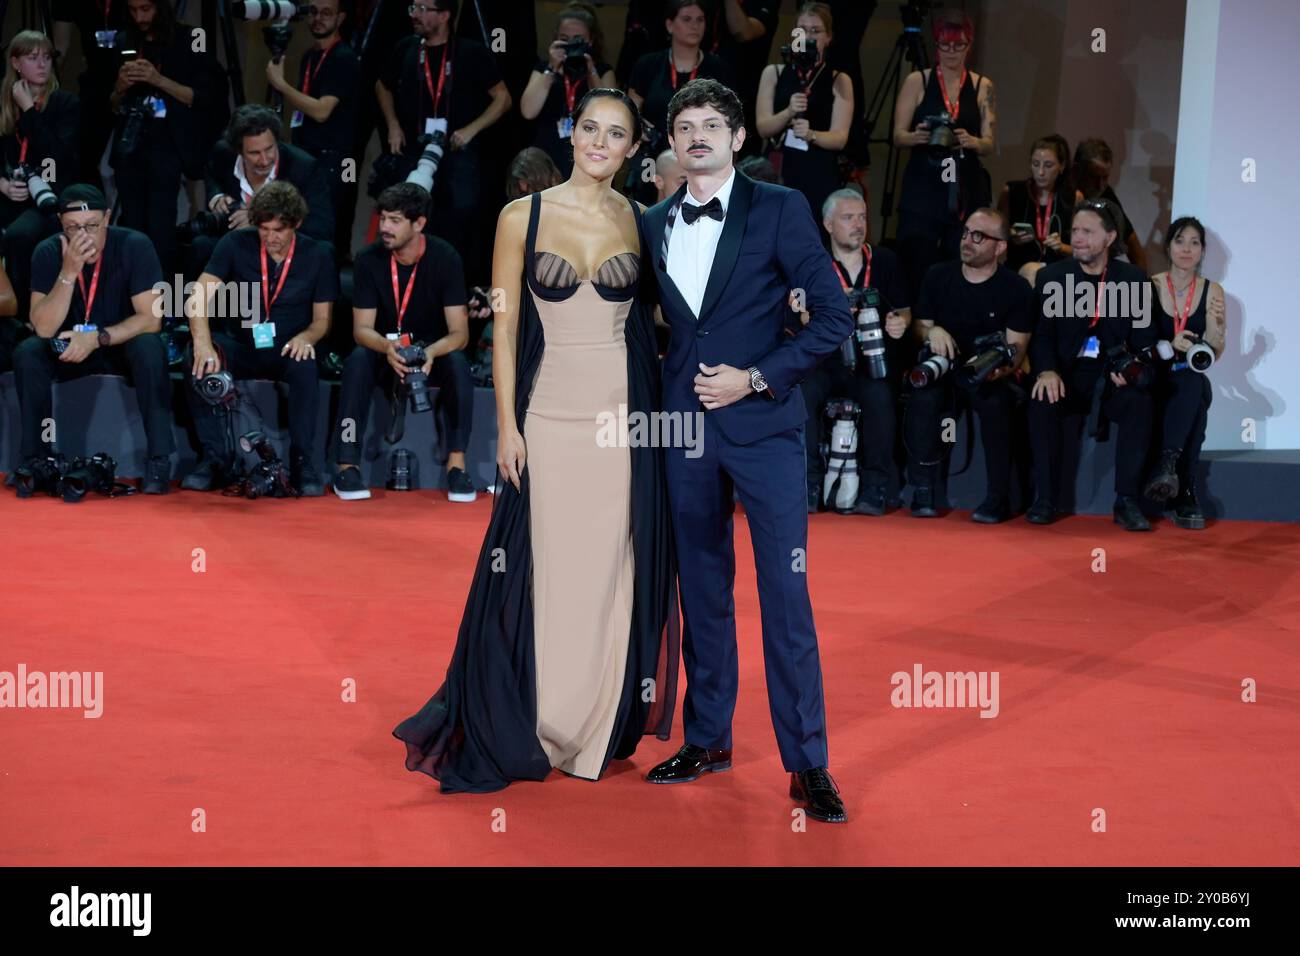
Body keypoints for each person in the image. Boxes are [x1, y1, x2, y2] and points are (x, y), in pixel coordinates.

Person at [393, 88, 676, 792]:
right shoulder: (524, 214)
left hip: (620, 418)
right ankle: (536, 719)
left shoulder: (644, 221)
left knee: (609, 570)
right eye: (590, 129)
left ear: (633, 149)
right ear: (571, 133)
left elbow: (667, 321)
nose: (600, 143)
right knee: (545, 567)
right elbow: (507, 326)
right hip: (548, 413)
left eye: (616, 135)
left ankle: (590, 725)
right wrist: (507, 426)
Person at [641, 78, 852, 822]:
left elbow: (833, 316)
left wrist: (757, 378)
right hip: (684, 432)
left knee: (785, 596)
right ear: (671, 143)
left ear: (737, 139)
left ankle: (808, 762)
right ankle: (708, 738)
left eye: (712, 124)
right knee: (701, 592)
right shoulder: (653, 220)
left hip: (764, 430)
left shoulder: (782, 207)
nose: (697, 136)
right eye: (684, 126)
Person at [11, 185, 173, 494]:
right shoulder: (48, 251)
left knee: (149, 346)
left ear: (108, 218)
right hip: (68, 346)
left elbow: (151, 318)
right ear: (61, 223)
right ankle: (35, 459)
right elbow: (43, 327)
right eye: (73, 228)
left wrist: (98, 338)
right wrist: (68, 272)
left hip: (115, 343)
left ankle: (159, 458)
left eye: (91, 226)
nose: (82, 235)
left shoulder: (135, 245)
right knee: (28, 352)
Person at [181, 182, 338, 496]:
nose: (270, 237)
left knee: (305, 363)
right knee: (193, 356)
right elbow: (196, 297)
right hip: (242, 346)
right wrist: (202, 341)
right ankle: (214, 459)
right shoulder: (234, 243)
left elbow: (322, 321)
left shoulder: (318, 253)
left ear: (296, 224)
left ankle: (303, 461)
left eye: (278, 230)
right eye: (263, 228)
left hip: (288, 346)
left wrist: (307, 337)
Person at [334, 183, 476, 502]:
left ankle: (457, 466)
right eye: (383, 218)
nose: (385, 227)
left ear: (419, 223)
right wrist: (388, 349)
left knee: (457, 364)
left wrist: (430, 353)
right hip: (384, 352)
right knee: (357, 359)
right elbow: (361, 329)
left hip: (429, 354)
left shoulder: (445, 257)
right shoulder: (369, 259)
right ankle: (347, 466)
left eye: (395, 220)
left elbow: (459, 334)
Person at [1028, 197, 1157, 530]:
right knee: (1042, 398)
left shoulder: (1134, 281)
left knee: (1139, 403)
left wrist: (1130, 367)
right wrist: (1047, 370)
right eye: (1075, 230)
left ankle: (1126, 501)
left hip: (1110, 376)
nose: (1079, 238)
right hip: (1067, 374)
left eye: (1087, 231)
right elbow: (1041, 336)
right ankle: (1044, 498)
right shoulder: (1052, 278)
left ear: (1110, 238)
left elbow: (1145, 340)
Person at [905, 208, 1033, 522]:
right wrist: (931, 331)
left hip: (987, 374)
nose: (967, 241)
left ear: (1000, 246)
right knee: (924, 396)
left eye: (979, 236)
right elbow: (920, 327)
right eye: (965, 233)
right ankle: (923, 492)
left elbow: (1016, 351)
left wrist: (996, 368)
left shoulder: (1015, 288)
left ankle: (997, 498)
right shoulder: (938, 275)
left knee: (996, 401)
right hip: (943, 368)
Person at [376, 0, 512, 276]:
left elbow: (503, 98)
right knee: (408, 214)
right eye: (413, 7)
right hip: (413, 149)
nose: (415, 14)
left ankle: (453, 283)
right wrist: (392, 124)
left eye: (423, 9)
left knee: (458, 218)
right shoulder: (406, 48)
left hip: (456, 152)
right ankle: (406, 278)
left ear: (445, 15)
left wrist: (472, 129)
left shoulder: (470, 51)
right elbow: (382, 85)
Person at [799, 187, 910, 515]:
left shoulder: (886, 261)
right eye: (849, 218)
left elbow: (904, 313)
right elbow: (796, 315)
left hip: (869, 362)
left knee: (879, 396)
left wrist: (899, 324)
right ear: (829, 224)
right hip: (824, 363)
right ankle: (808, 485)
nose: (858, 224)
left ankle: (876, 488)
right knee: (801, 393)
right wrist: (813, 315)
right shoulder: (812, 263)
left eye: (862, 217)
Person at [892, 8, 996, 299]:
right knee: (916, 259)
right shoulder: (918, 80)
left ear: (969, 45)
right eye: (944, 45)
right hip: (924, 183)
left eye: (958, 45)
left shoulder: (981, 86)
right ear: (936, 44)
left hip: (964, 184)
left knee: (961, 260)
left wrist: (972, 141)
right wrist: (918, 136)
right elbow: (898, 136)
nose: (951, 51)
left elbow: (989, 142)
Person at [109, 0, 214, 276]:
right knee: (131, 224)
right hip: (130, 144)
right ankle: (132, 294)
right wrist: (120, 87)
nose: (140, 17)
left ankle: (162, 301)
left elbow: (201, 98)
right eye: (132, 10)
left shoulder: (193, 38)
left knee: (160, 227)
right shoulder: (123, 39)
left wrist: (157, 79)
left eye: (146, 8)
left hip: (170, 144)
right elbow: (111, 105)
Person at [1142, 216, 1226, 530]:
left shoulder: (1213, 291)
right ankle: (1185, 491)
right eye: (1180, 241)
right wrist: (1167, 342)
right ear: (1168, 246)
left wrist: (1216, 329)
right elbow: (1140, 339)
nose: (1186, 249)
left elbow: (1213, 353)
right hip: (1155, 371)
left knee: (1195, 383)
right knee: (1198, 395)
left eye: (1194, 243)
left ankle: (1168, 466)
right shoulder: (1149, 285)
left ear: (1202, 251)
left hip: (1186, 373)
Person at [266, 0, 360, 261]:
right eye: (313, 12)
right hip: (306, 152)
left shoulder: (343, 58)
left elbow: (321, 111)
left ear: (340, 18)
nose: (318, 18)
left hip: (332, 158)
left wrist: (281, 86)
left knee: (321, 230)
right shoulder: (310, 55)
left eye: (327, 13)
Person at [0, 31, 78, 329]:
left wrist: (30, 111)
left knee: (19, 236)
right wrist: (3, 184)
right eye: (33, 58)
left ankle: (23, 318)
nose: (42, 64)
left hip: (51, 196)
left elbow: (56, 157)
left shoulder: (64, 103)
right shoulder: (3, 103)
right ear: (16, 63)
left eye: (47, 57)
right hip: (11, 192)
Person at [197, 105, 335, 273]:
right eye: (254, 153)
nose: (264, 160)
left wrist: (260, 222)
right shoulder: (223, 152)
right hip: (236, 244)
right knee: (201, 246)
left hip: (281, 249)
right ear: (238, 150)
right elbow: (211, 171)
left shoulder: (304, 168)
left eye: (269, 149)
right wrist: (216, 195)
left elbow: (321, 228)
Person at [754, 2, 853, 226]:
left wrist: (812, 135)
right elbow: (763, 127)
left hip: (818, 170)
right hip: (778, 167)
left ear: (828, 37)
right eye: (802, 30)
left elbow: (840, 137)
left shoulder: (839, 80)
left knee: (810, 232)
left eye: (815, 31)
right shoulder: (774, 73)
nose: (807, 36)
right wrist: (788, 112)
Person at [627, 1, 736, 173]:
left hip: (702, 156)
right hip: (652, 158)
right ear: (670, 25)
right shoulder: (647, 65)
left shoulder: (719, 68)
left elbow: (730, 117)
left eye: (700, 20)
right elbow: (630, 112)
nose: (694, 26)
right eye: (687, 19)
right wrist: (638, 126)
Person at [519, 4, 616, 178]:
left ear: (591, 41)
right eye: (565, 39)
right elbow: (528, 111)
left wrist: (590, 70)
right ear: (555, 39)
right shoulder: (544, 69)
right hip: (546, 158)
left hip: (589, 157)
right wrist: (551, 69)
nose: (571, 45)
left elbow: (610, 112)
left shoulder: (602, 71)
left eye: (577, 39)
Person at [998, 133, 1074, 283]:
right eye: (1035, 164)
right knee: (1032, 273)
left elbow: (1083, 250)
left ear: (1062, 166)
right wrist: (1011, 236)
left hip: (1058, 272)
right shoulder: (1013, 192)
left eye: (1048, 165)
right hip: (1019, 268)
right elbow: (996, 235)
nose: (1040, 172)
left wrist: (1062, 247)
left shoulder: (1072, 198)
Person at [1072, 137, 1148, 271]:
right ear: (1077, 169)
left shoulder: (1107, 196)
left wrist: (1143, 286)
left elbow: (1135, 251)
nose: (1100, 185)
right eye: (1094, 177)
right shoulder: (1059, 190)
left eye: (1105, 177)